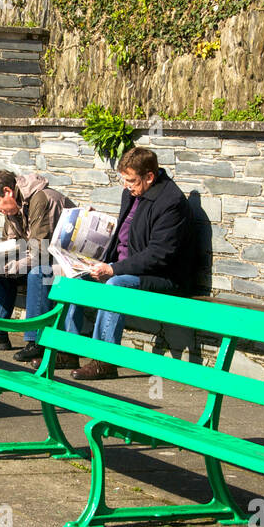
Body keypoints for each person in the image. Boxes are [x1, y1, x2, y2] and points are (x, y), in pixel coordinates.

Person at [66, 146, 196, 381]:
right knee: (75, 275)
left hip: (163, 276)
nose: (126, 186)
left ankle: (104, 360)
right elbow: (125, 232)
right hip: (126, 265)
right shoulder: (133, 192)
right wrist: (94, 222)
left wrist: (114, 268)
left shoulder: (171, 202)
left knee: (116, 284)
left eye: (131, 181)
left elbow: (159, 255)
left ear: (149, 177)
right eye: (124, 180)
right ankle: (69, 349)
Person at [0, 169, 77, 365]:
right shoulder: (13, 206)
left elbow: (40, 253)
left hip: (65, 263)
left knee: (37, 273)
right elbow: (9, 243)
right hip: (41, 258)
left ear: (8, 191)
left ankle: (37, 341)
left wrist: (7, 266)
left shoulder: (41, 199)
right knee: (1, 272)